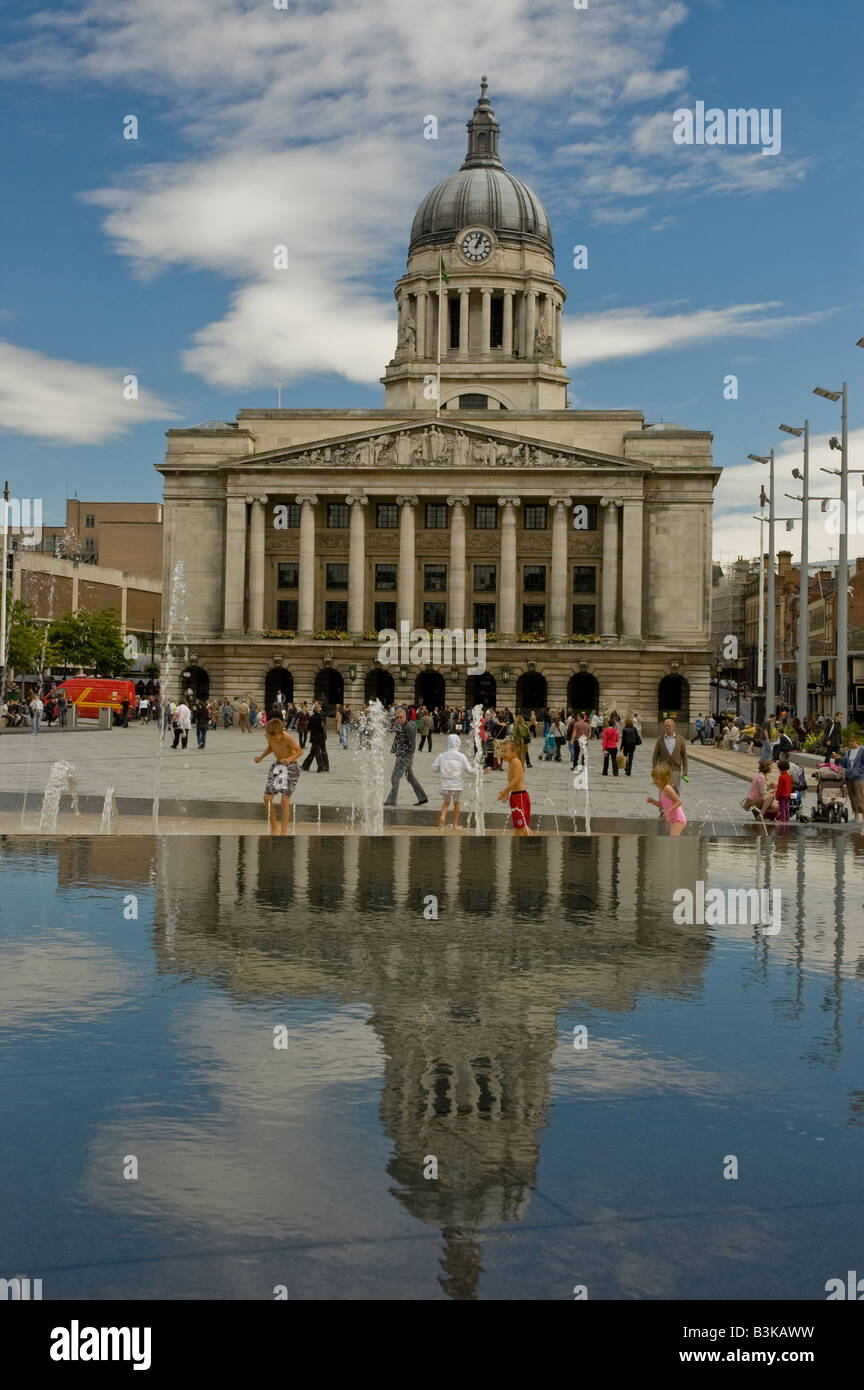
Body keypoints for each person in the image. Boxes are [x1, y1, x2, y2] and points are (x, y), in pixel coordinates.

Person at [254, 715, 303, 836]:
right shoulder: (269, 734)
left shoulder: (287, 738)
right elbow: (271, 746)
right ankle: (274, 827)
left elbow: (300, 751)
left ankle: (283, 832)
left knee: (285, 801)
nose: (274, 740)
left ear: (281, 732)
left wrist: (289, 759)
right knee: (267, 798)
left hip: (291, 766)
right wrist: (261, 757)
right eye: (271, 737)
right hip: (278, 765)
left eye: (276, 738)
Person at [384, 707, 427, 806]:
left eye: (400, 717)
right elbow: (398, 738)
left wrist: (407, 755)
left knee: (394, 778)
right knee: (410, 777)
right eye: (397, 717)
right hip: (403, 755)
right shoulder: (402, 726)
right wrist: (394, 748)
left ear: (405, 717)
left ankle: (392, 801)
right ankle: (422, 797)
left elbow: (411, 743)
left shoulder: (408, 727)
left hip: (405, 756)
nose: (398, 719)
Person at [431, 732, 474, 829]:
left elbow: (434, 768)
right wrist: (478, 771)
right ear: (458, 743)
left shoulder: (442, 756)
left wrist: (440, 768)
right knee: (457, 803)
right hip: (457, 785)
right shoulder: (461, 756)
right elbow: (469, 770)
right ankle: (455, 824)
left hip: (445, 785)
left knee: (446, 802)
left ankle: (443, 816)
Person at [498, 738, 533, 835]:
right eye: (502, 751)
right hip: (515, 796)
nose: (503, 753)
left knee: (522, 827)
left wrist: (505, 791)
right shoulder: (510, 763)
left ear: (514, 752)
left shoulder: (515, 762)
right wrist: (507, 794)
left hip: (520, 797)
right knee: (518, 827)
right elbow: (511, 780)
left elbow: (517, 778)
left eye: (505, 751)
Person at [647, 763, 687, 837]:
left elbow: (679, 802)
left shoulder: (667, 788)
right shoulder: (662, 789)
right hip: (673, 819)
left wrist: (668, 811)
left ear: (664, 778)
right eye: (654, 778)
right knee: (672, 843)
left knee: (673, 842)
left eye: (657, 778)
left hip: (678, 819)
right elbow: (662, 805)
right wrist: (652, 801)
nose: (655, 781)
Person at [651, 718, 688, 789]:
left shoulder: (680, 739)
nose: (666, 728)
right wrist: (654, 768)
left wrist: (685, 770)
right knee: (663, 792)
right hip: (663, 771)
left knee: (675, 792)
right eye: (665, 726)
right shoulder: (660, 739)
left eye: (668, 726)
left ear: (673, 726)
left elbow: (684, 756)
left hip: (675, 770)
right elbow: (655, 756)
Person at [838, 731, 864, 823]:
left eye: (852, 741)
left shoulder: (862, 750)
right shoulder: (848, 752)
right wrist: (838, 758)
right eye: (849, 741)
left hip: (859, 778)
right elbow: (845, 763)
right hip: (849, 778)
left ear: (856, 741)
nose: (850, 743)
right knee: (852, 797)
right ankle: (856, 815)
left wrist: (859, 771)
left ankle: (863, 816)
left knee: (860, 797)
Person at [301, 701, 329, 771]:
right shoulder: (322, 717)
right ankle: (325, 766)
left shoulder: (311, 718)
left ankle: (320, 766)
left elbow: (309, 728)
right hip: (321, 737)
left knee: (316, 752)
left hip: (315, 737)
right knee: (321, 751)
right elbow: (323, 727)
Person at [775, 757, 793, 823]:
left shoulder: (781, 777)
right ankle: (787, 819)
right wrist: (790, 793)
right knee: (787, 807)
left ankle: (782, 820)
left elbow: (779, 787)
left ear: (779, 768)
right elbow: (791, 786)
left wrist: (777, 795)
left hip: (782, 795)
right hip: (788, 794)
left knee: (782, 807)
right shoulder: (789, 776)